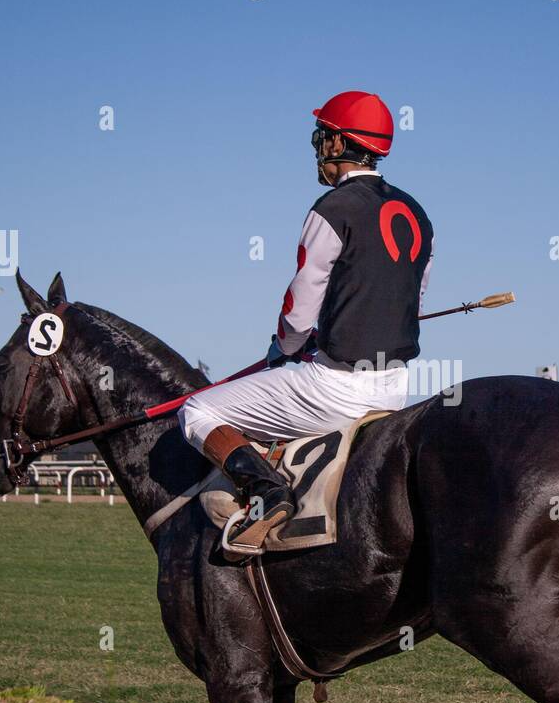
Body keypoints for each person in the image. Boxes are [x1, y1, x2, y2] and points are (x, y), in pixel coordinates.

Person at [179, 91, 434, 552]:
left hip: (336, 388)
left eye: (323, 138)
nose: (318, 149)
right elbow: (411, 302)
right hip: (396, 387)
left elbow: (301, 303)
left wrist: (288, 345)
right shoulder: (418, 213)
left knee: (196, 410)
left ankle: (267, 493)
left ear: (339, 144)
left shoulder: (332, 207)